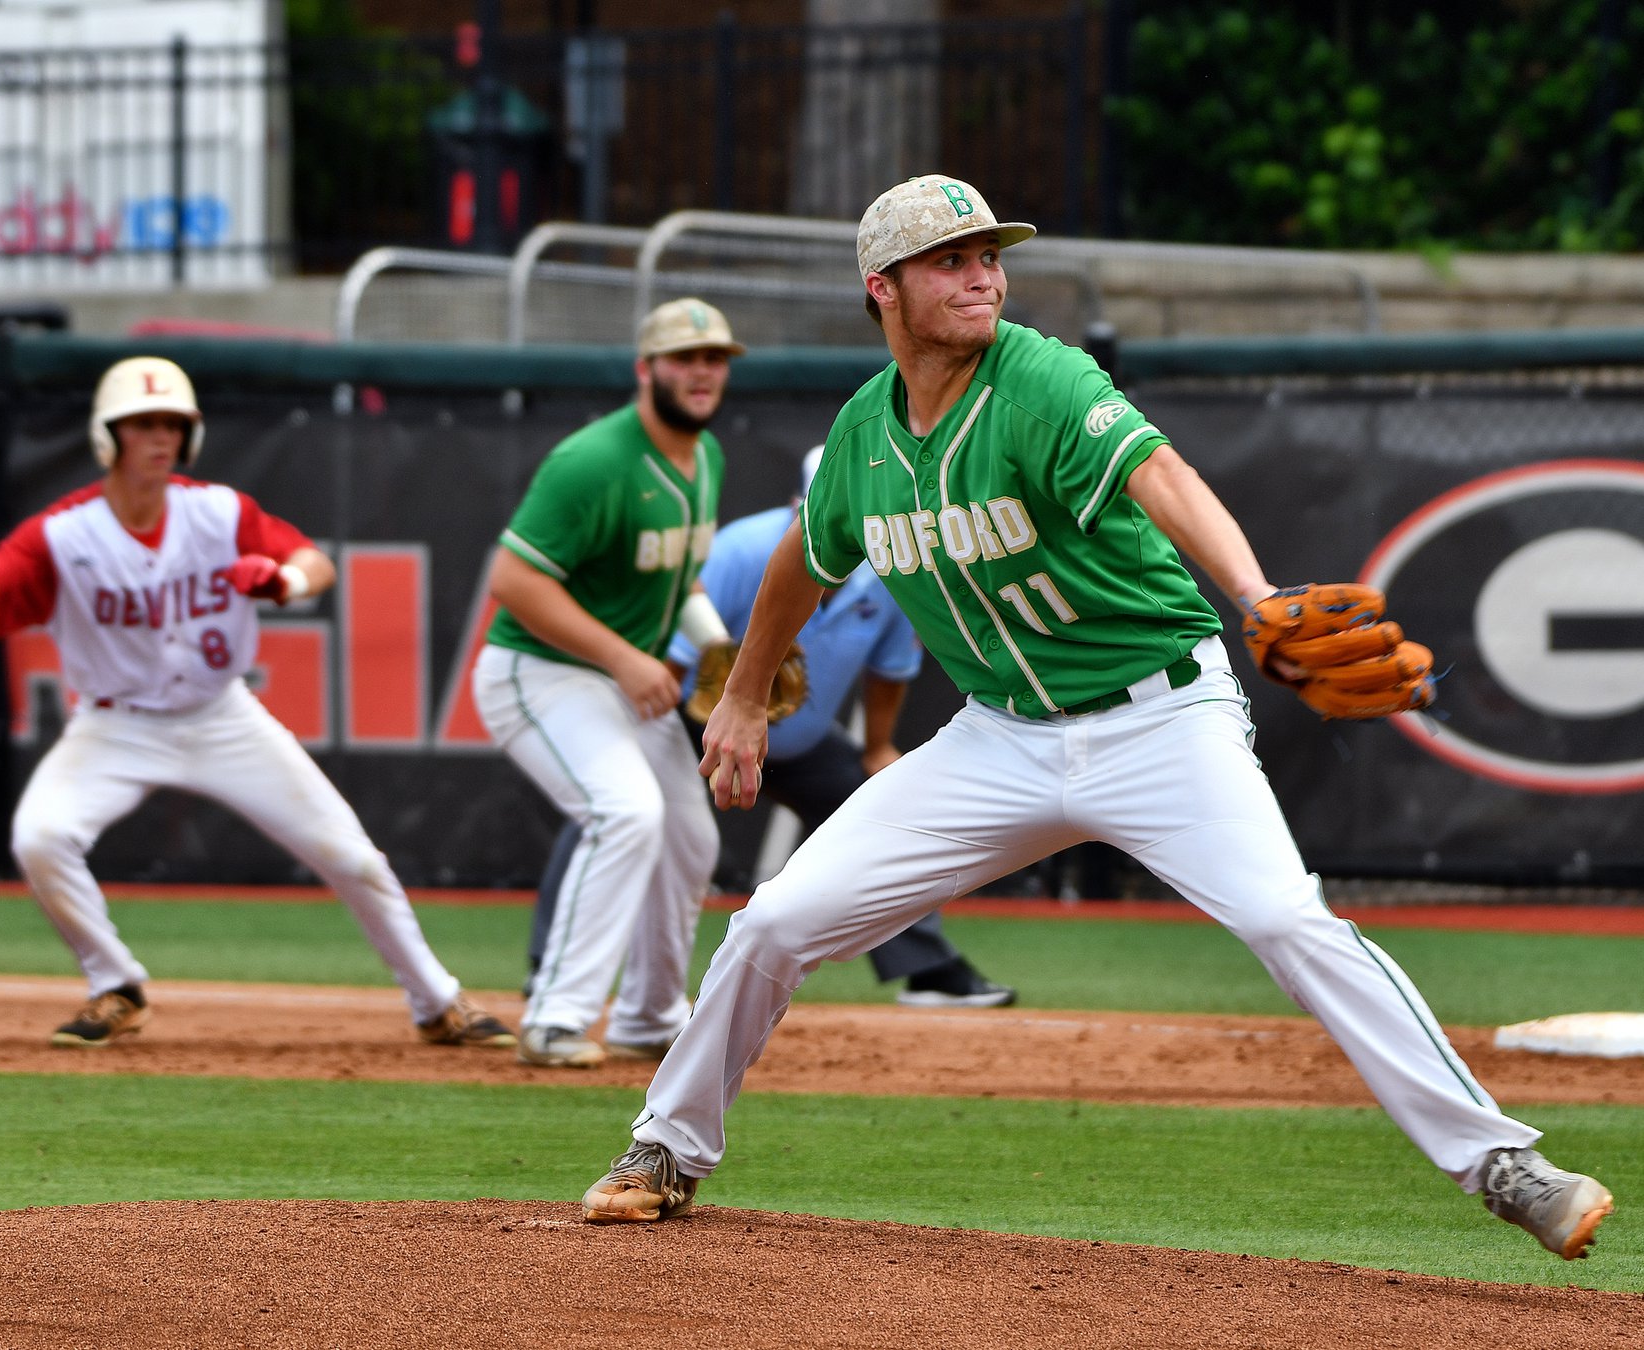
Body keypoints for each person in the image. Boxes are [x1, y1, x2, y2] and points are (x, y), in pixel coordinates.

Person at [577, 176, 1615, 1262]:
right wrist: (742, 694)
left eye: (989, 254)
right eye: (950, 258)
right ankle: (665, 1148)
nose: (982, 273)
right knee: (774, 924)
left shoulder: (1041, 377)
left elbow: (1161, 472)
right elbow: (806, 553)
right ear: (883, 288)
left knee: (1285, 922)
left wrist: (1255, 599)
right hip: (1000, 738)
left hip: (1159, 717)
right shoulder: (862, 439)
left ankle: (1503, 1165)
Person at [0, 356, 514, 1052]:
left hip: (221, 715)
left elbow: (314, 563)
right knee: (40, 836)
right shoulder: (64, 533)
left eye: (174, 425)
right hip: (116, 724)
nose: (161, 439)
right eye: (143, 425)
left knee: (351, 854)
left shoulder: (216, 511)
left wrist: (282, 582)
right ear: (106, 437)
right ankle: (114, 984)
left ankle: (436, 1001)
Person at [526, 445, 1014, 1008]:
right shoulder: (745, 550)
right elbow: (673, 657)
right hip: (692, 725)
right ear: (798, 507)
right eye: (826, 510)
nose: (839, 525)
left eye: (853, 513)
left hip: (796, 740)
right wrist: (646, 732)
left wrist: (878, 745)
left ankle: (927, 968)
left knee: (876, 806)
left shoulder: (892, 560)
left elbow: (891, 669)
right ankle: (548, 965)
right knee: (620, 803)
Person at [473, 298, 742, 1069]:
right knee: (624, 811)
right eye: (685, 358)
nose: (702, 372)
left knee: (689, 838)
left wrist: (715, 647)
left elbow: (681, 576)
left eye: (715, 359)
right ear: (645, 370)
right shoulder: (592, 461)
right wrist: (626, 657)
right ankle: (555, 1018)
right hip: (540, 672)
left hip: (625, 683)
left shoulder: (705, 457)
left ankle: (649, 1015)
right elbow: (512, 580)